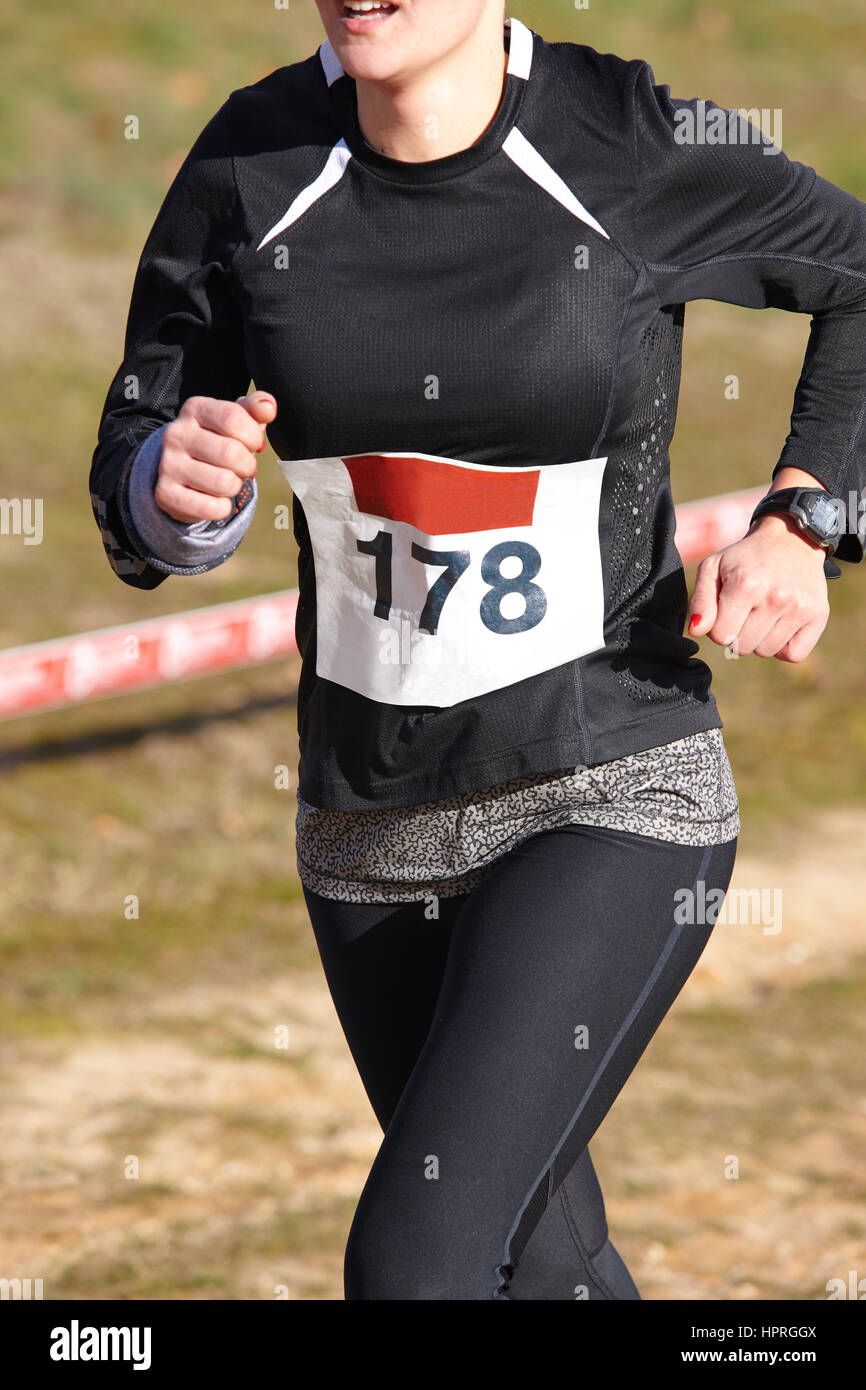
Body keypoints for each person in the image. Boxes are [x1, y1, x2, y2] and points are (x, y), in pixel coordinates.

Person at [90, 1, 866, 1299]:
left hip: (611, 784)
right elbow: (140, 456)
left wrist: (806, 514)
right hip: (367, 824)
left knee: (417, 1259)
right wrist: (172, 489)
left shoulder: (631, 138)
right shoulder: (249, 165)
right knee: (542, 1261)